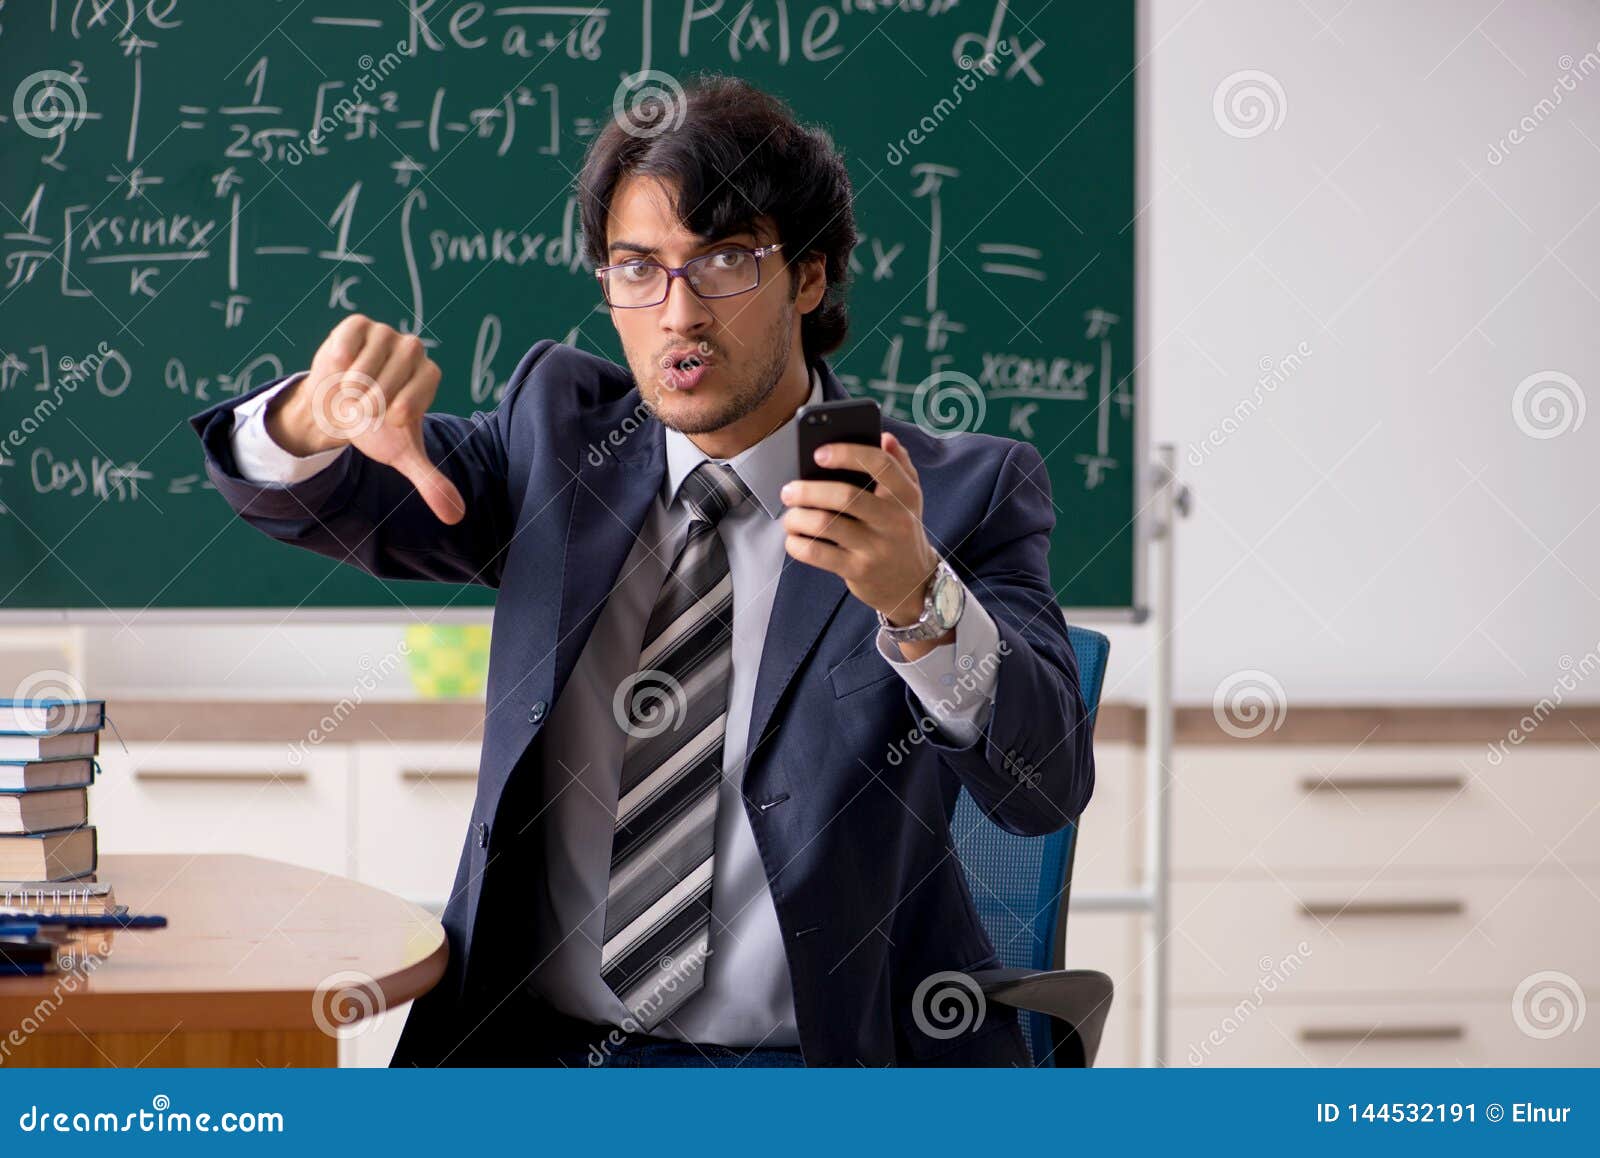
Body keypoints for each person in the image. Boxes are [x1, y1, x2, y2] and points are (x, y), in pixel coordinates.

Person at [188, 75, 1094, 1067]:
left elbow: (1039, 787)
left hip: (815, 1067)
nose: (678, 313)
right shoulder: (558, 447)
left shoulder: (952, 496)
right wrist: (304, 422)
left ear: (807, 278)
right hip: (545, 1060)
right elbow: (313, 493)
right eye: (637, 268)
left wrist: (919, 602)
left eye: (723, 263)